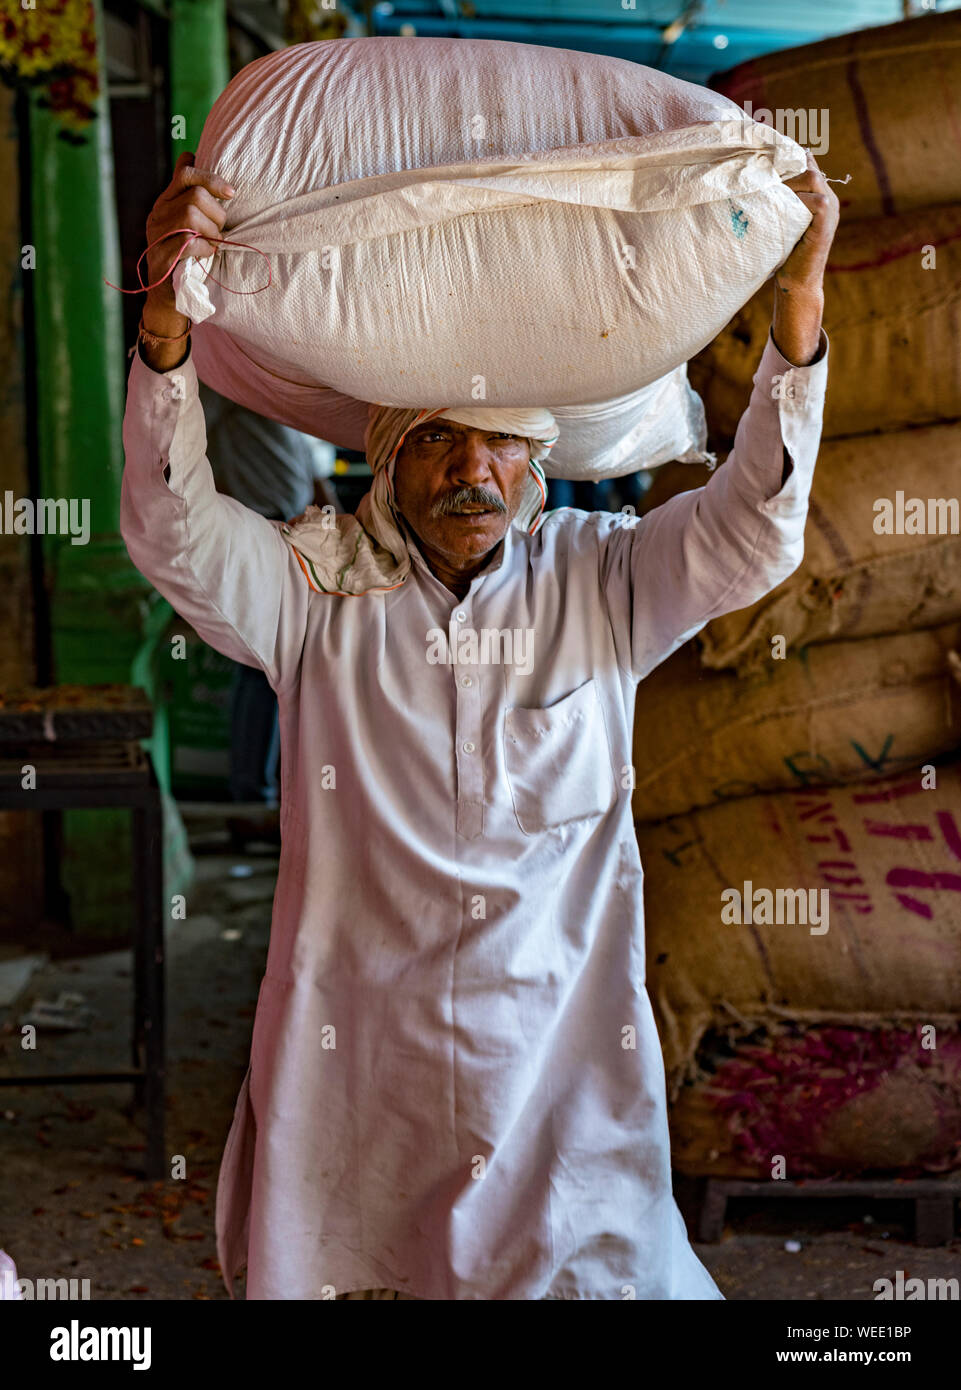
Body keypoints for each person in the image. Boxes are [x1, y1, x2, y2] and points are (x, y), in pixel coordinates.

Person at [120, 149, 837, 1300]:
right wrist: (165, 340)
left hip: (560, 1057)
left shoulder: (599, 582)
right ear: (388, 458)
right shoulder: (314, 592)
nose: (472, 468)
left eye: (501, 440)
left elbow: (752, 534)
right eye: (439, 439)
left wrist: (794, 319)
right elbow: (174, 531)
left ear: (538, 462)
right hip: (360, 1060)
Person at [197, 383, 338, 845]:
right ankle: (252, 800)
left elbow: (309, 471)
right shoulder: (222, 379)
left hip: (295, 536)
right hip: (256, 530)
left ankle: (269, 797)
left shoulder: (276, 387)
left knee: (283, 672)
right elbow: (186, 448)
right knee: (261, 670)